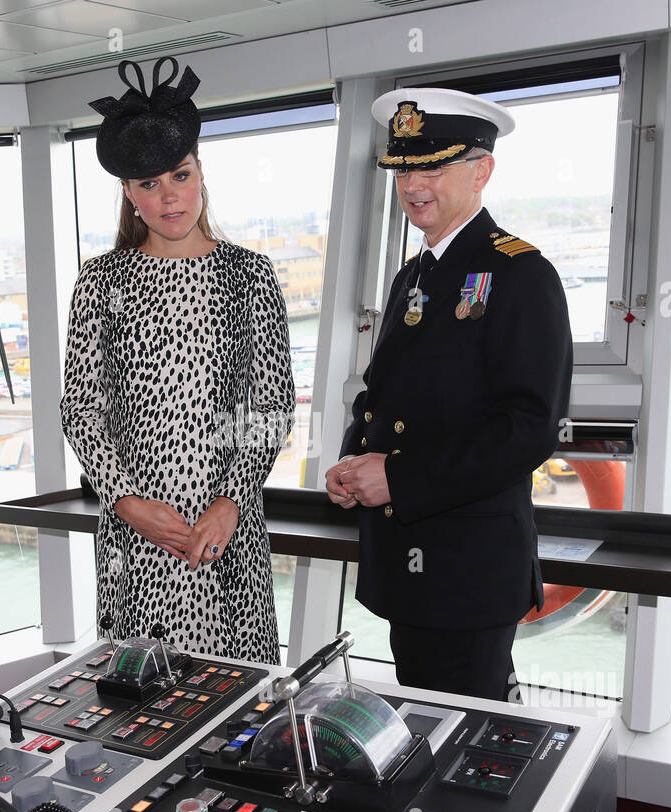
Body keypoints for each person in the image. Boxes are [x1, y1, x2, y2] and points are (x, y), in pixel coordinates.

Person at [324, 88, 573, 701]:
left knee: (467, 742)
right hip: (405, 559)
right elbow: (381, 395)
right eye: (405, 168)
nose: (414, 184)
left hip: (468, 569)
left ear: (482, 169)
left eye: (434, 165)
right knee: (423, 717)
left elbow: (529, 426)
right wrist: (355, 460)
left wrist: (400, 478)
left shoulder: (521, 274)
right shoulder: (415, 274)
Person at [61, 57, 294, 665]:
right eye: (149, 185)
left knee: (238, 711)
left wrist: (230, 501)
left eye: (180, 175)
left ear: (200, 173)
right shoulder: (102, 280)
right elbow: (83, 408)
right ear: (129, 195)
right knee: (142, 712)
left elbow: (268, 406)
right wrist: (125, 502)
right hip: (136, 535)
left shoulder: (249, 275)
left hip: (227, 532)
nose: (168, 197)